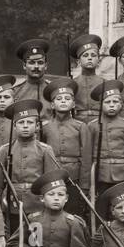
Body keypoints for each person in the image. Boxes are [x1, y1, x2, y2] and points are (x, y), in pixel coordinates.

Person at [0, 102, 60, 228]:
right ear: (14, 126)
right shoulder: (5, 150)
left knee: (35, 242)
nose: (25, 126)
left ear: (37, 126)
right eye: (21, 122)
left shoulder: (45, 150)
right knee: (13, 241)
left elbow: (51, 184)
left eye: (29, 123)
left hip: (37, 205)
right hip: (12, 204)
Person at [40, 77, 92, 216]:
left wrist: (85, 185)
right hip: (51, 177)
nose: (63, 101)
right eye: (59, 98)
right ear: (52, 105)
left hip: (73, 179)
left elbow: (86, 159)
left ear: (74, 104)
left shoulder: (81, 127)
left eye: (67, 98)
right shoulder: (44, 127)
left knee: (73, 213)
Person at [90, 80, 124, 195]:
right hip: (100, 174)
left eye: (115, 101)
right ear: (100, 105)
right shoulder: (93, 125)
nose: (111, 105)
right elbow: (88, 154)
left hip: (121, 174)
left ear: (121, 104)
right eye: (107, 102)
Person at [71, 34, 105, 125]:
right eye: (85, 55)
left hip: (99, 123)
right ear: (78, 61)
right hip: (78, 122)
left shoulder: (104, 83)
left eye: (93, 55)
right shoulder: (72, 83)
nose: (90, 58)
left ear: (98, 60)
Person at [13, 38, 51, 114]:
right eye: (32, 63)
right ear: (24, 65)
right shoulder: (15, 91)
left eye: (40, 63)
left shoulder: (52, 89)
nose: (36, 66)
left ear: (46, 65)